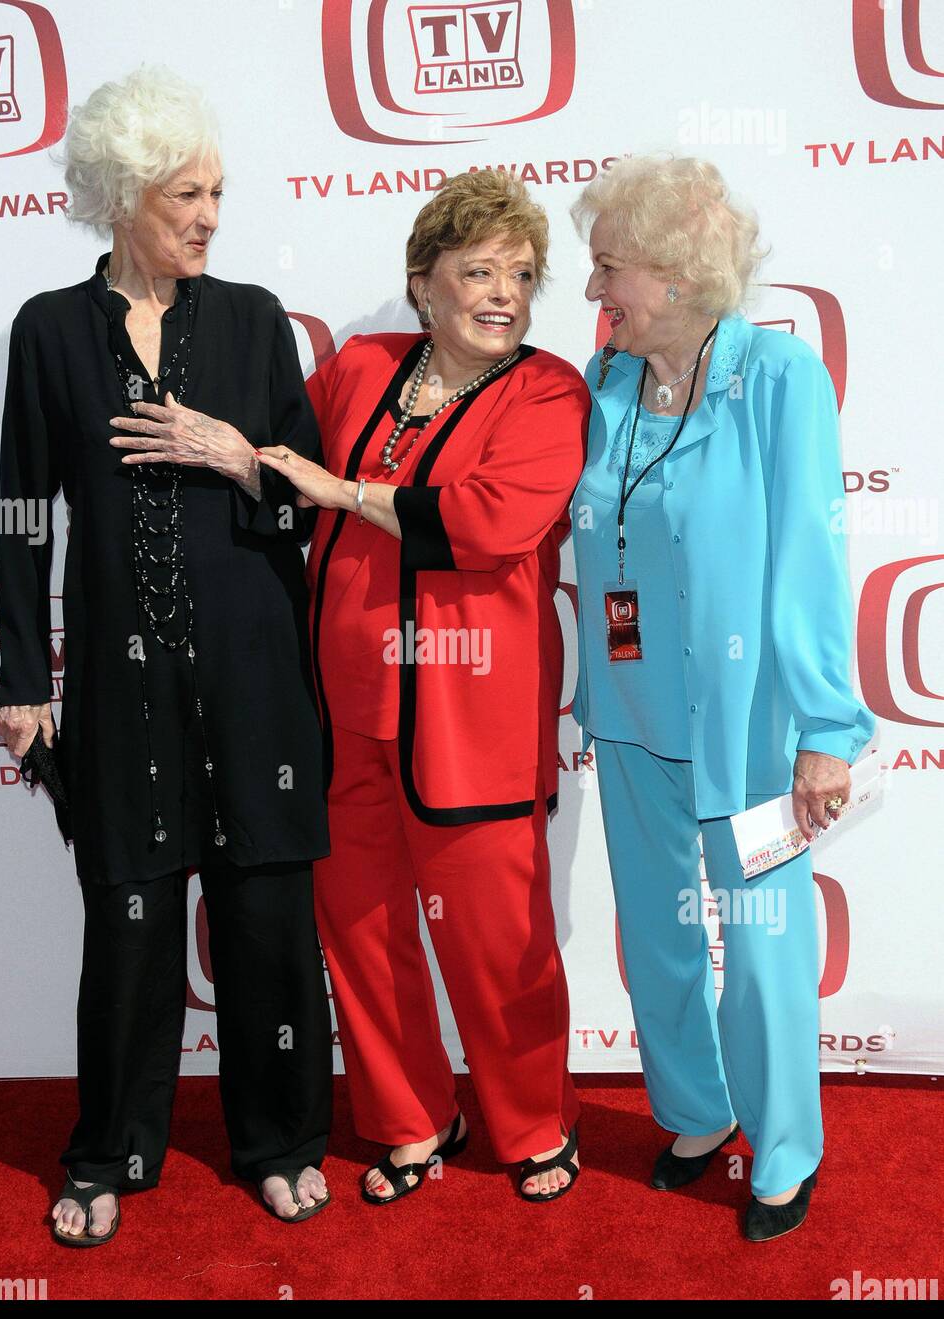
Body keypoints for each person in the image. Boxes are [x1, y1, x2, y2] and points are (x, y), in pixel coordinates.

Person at [0, 66, 333, 1239]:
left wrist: (239, 454)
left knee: (266, 919)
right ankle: (111, 1149)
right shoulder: (50, 332)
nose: (209, 216)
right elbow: (26, 514)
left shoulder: (250, 320)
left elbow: (311, 505)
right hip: (125, 681)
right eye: (186, 194)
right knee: (130, 919)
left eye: (218, 192)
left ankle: (283, 1136)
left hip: (254, 674)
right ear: (123, 195)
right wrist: (26, 675)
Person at [259, 170, 590, 1202]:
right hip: (344, 707)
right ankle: (411, 1119)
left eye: (522, 275)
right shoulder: (358, 367)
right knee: (358, 925)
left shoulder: (549, 391)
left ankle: (534, 1123)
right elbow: (276, 472)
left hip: (471, 718)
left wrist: (342, 492)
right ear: (423, 283)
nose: (504, 293)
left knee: (498, 941)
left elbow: (489, 524)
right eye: (478, 270)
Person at [569, 154, 876, 1239]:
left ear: (680, 272)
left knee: (757, 941)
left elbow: (808, 559)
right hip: (629, 712)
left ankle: (782, 1149)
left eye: (610, 268)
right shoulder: (607, 380)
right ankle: (696, 1115)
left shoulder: (780, 383)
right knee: (655, 930)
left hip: (746, 724)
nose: (594, 291)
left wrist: (828, 728)